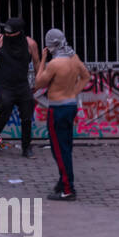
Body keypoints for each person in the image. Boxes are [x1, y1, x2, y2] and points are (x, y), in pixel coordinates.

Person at [33, 28, 90, 201]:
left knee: (59, 149)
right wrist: (73, 92)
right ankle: (62, 181)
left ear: (50, 45)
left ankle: (68, 189)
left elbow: (38, 81)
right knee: (65, 146)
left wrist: (42, 59)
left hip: (57, 108)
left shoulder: (55, 64)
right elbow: (86, 76)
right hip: (71, 105)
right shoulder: (74, 58)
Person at [0, 17, 39, 157]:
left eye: (10, 33)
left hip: (22, 85)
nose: (7, 35)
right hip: (5, 85)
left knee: (27, 118)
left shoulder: (30, 44)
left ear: (18, 32)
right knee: (4, 115)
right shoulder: (0, 39)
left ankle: (26, 148)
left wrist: (37, 82)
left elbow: (37, 64)